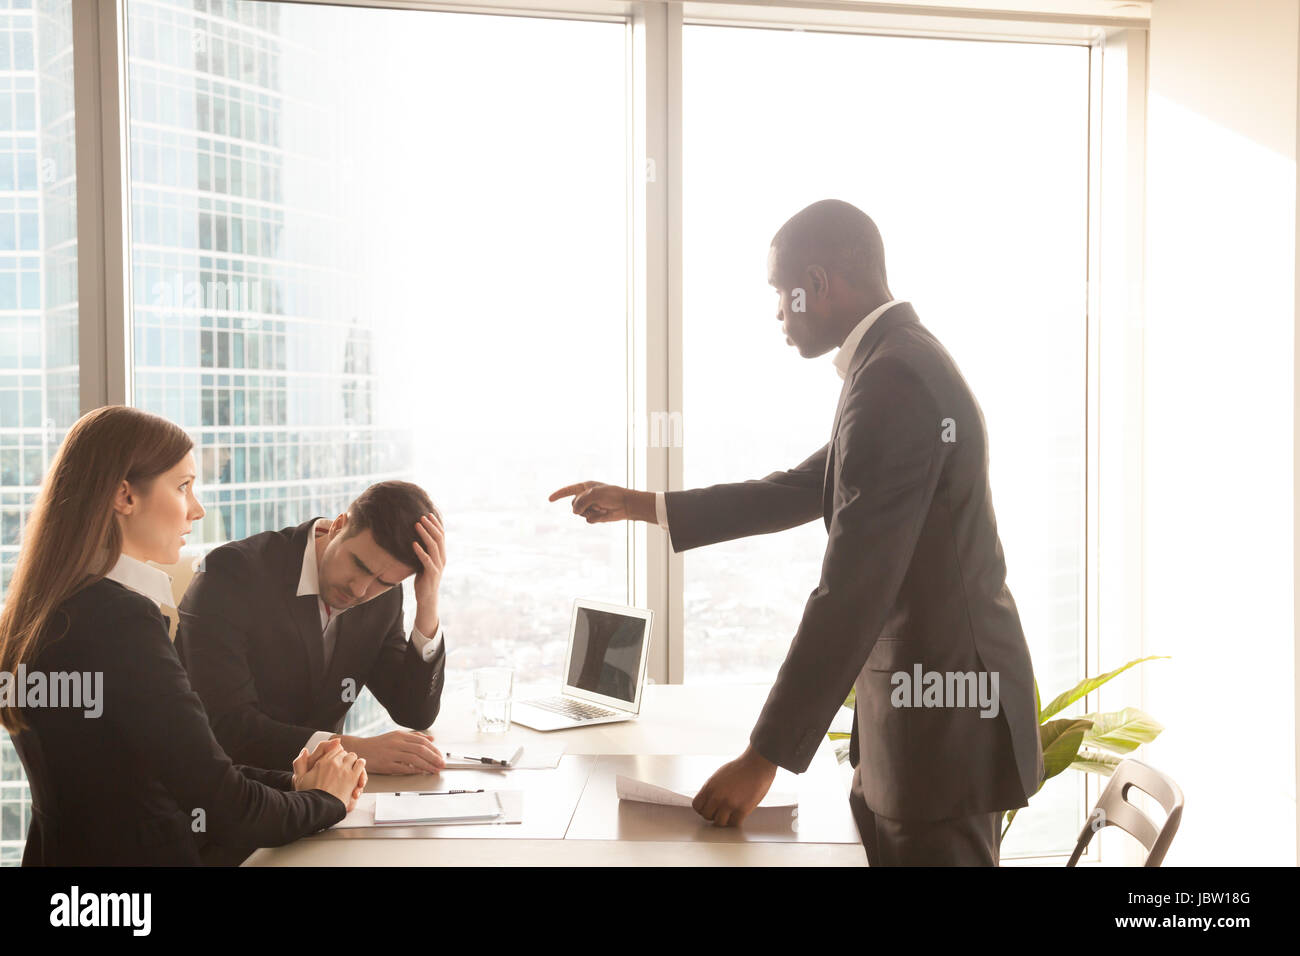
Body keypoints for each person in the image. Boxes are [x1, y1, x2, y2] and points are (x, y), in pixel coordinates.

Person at [550, 199, 1044, 866]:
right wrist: (643, 504)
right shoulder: (893, 363)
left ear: (819, 284)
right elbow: (801, 488)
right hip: (924, 724)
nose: (779, 313)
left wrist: (763, 757)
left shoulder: (894, 378)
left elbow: (854, 588)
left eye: (783, 294)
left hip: (942, 732)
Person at [0, 405, 366, 866]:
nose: (197, 508)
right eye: (182, 486)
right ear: (124, 496)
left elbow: (162, 771)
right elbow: (223, 805)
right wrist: (326, 802)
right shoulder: (121, 622)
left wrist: (293, 785)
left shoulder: (40, 610)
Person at [176, 481, 448, 774]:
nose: (359, 590)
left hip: (324, 795)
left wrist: (428, 601)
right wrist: (355, 750)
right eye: (359, 565)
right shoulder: (231, 573)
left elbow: (414, 712)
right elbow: (228, 727)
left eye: (383, 583)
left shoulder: (384, 596)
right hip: (232, 788)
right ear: (339, 526)